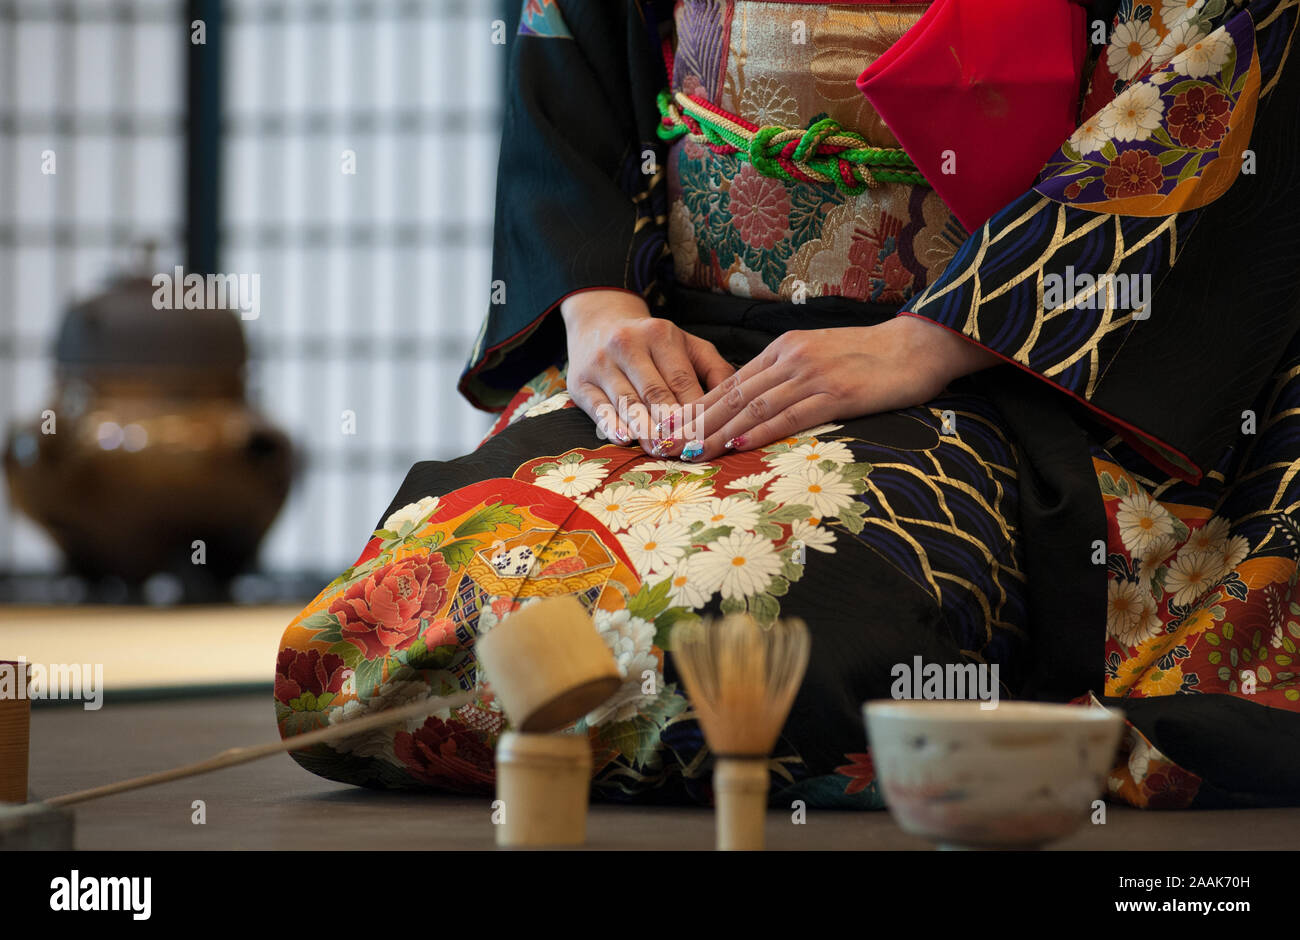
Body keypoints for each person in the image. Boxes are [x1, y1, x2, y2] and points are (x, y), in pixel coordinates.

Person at [275, 0, 1300, 808]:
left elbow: (1212, 70)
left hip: (979, 367)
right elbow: (573, 45)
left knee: (772, 613)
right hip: (682, 346)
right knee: (383, 628)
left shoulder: (949, 352)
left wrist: (924, 343)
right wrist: (595, 307)